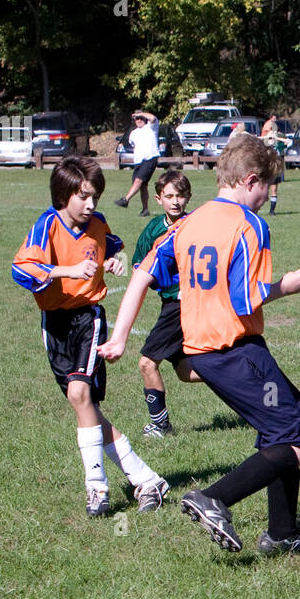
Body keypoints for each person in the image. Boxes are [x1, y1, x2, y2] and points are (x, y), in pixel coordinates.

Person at [99, 133, 300, 554]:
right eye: (267, 186)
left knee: (283, 427)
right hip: (234, 349)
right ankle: (214, 498)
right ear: (250, 181)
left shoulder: (187, 224)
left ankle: (283, 534)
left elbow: (141, 275)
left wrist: (120, 336)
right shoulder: (249, 225)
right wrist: (284, 287)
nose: (267, 197)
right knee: (297, 441)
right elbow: (245, 300)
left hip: (202, 350)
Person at [11, 156, 170, 517]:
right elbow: (21, 269)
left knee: (80, 394)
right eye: (83, 196)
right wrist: (66, 270)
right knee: (87, 408)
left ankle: (97, 488)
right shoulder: (47, 225)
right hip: (54, 324)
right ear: (62, 194)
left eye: (94, 196)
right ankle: (147, 480)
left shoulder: (97, 224)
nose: (91, 204)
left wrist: (114, 261)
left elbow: (113, 248)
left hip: (87, 318)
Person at [131, 170, 193, 438]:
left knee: (147, 363)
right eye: (169, 196)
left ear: (188, 197)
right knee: (185, 371)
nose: (175, 201)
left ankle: (160, 426)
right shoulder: (154, 228)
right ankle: (241, 376)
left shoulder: (195, 225)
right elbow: (138, 263)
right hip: (168, 303)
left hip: (182, 305)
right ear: (158, 199)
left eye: (180, 195)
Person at [114, 109, 159, 216]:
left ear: (145, 118)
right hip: (138, 162)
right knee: (142, 185)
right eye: (136, 118)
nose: (139, 120)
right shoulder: (133, 133)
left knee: (138, 180)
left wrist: (140, 113)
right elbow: (134, 145)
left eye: (141, 118)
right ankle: (145, 210)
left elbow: (153, 118)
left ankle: (125, 200)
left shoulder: (151, 127)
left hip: (150, 158)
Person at [260, 115, 287, 214]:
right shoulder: (265, 144)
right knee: (261, 190)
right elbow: (256, 139)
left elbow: (289, 142)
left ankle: (272, 210)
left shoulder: (278, 144)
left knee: (274, 190)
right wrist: (267, 137)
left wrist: (277, 138)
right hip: (266, 169)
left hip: (275, 170)